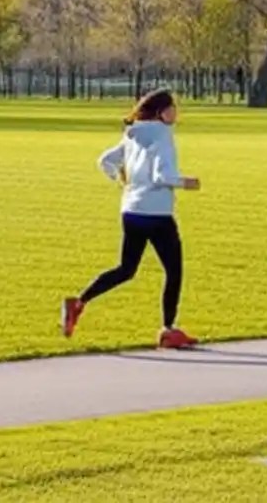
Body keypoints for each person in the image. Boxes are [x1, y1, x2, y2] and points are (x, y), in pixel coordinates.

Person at [60, 89, 202, 349]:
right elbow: (162, 176)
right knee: (174, 271)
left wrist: (120, 178)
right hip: (157, 213)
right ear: (162, 112)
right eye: (173, 108)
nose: (176, 113)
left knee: (126, 269)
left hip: (132, 211)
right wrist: (186, 182)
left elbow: (105, 161)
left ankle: (79, 303)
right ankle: (168, 330)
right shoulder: (163, 136)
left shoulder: (132, 134)